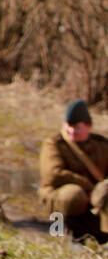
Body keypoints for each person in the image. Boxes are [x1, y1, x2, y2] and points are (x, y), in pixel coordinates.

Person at [38, 100, 108, 241]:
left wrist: (101, 189)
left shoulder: (101, 145)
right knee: (73, 195)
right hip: (60, 197)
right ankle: (62, 234)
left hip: (94, 200)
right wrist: (88, 186)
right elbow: (53, 175)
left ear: (88, 126)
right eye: (68, 126)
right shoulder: (55, 144)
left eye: (76, 127)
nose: (71, 131)